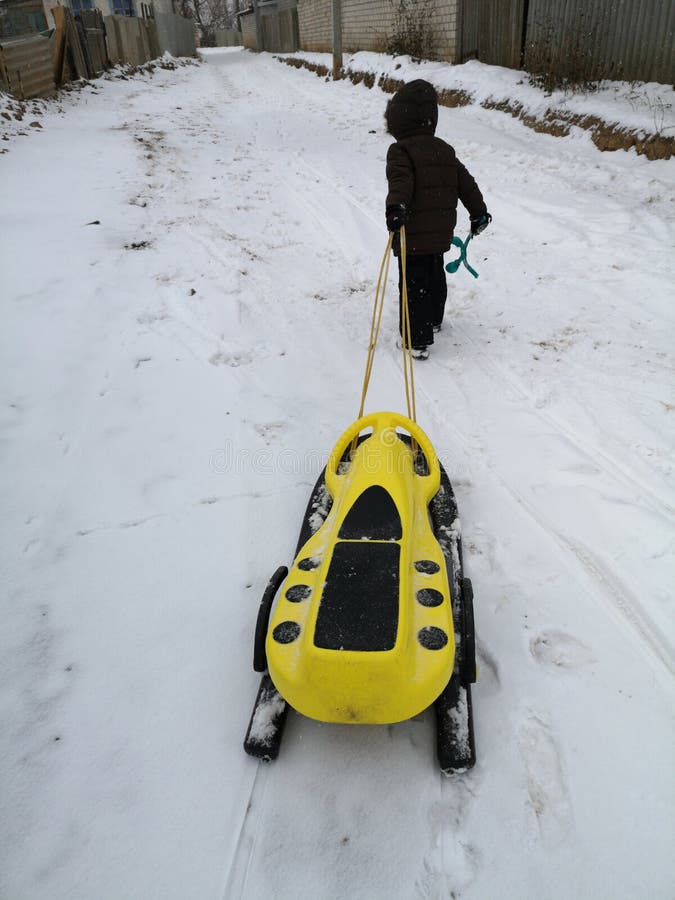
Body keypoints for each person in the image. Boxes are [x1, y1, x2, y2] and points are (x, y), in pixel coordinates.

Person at [385, 79, 491, 359]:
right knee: (434, 274)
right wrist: (479, 213)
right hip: (440, 230)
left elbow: (400, 182)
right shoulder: (444, 149)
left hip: (412, 232)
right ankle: (433, 319)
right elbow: (466, 183)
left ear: (397, 121)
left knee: (414, 284)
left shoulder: (400, 151)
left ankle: (416, 340)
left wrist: (396, 208)